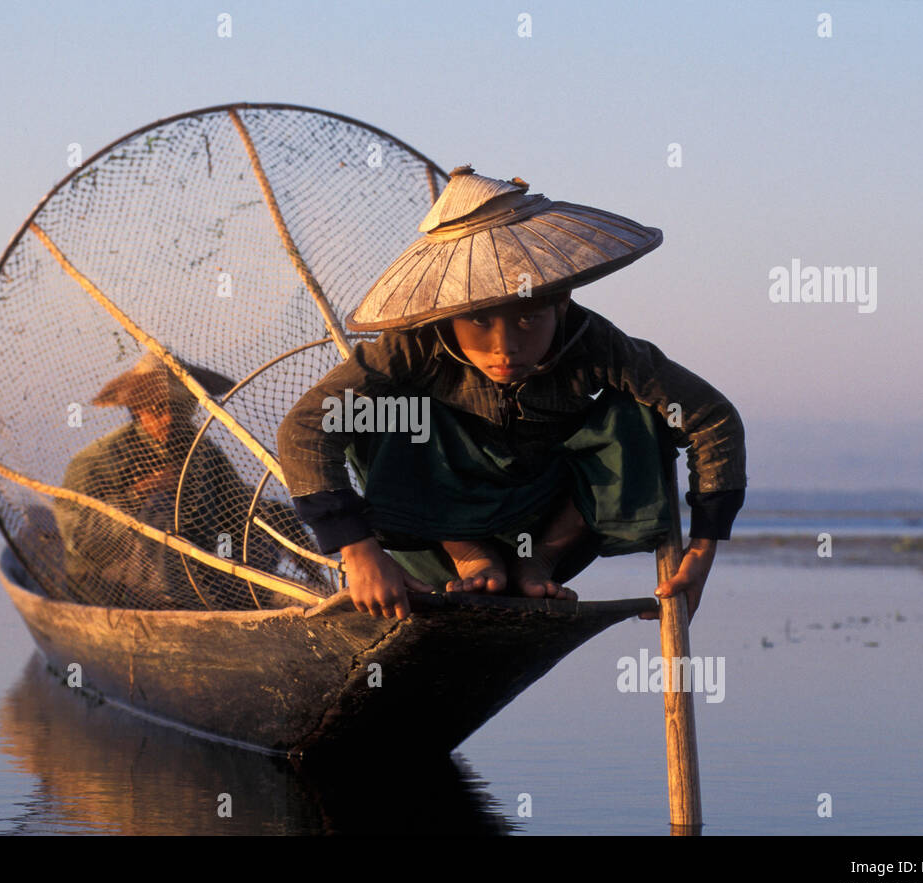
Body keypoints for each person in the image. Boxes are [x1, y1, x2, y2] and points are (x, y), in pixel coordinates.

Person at [277, 166, 747, 621]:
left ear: (560, 301)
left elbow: (712, 419)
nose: (505, 348)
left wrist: (701, 554)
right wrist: (360, 552)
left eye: (527, 319)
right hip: (432, 525)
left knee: (640, 414)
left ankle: (536, 559)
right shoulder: (413, 346)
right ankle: (470, 552)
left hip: (549, 518)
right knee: (383, 410)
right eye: (479, 321)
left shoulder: (595, 344)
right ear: (447, 315)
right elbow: (304, 429)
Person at [56, 353, 313, 610]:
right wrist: (136, 497)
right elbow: (79, 537)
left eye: (178, 407)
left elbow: (238, 503)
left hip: (200, 564)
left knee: (275, 519)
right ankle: (204, 610)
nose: (168, 419)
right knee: (160, 512)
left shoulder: (198, 449)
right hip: (114, 579)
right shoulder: (97, 461)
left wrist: (283, 521)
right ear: (137, 411)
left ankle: (325, 589)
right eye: (157, 410)